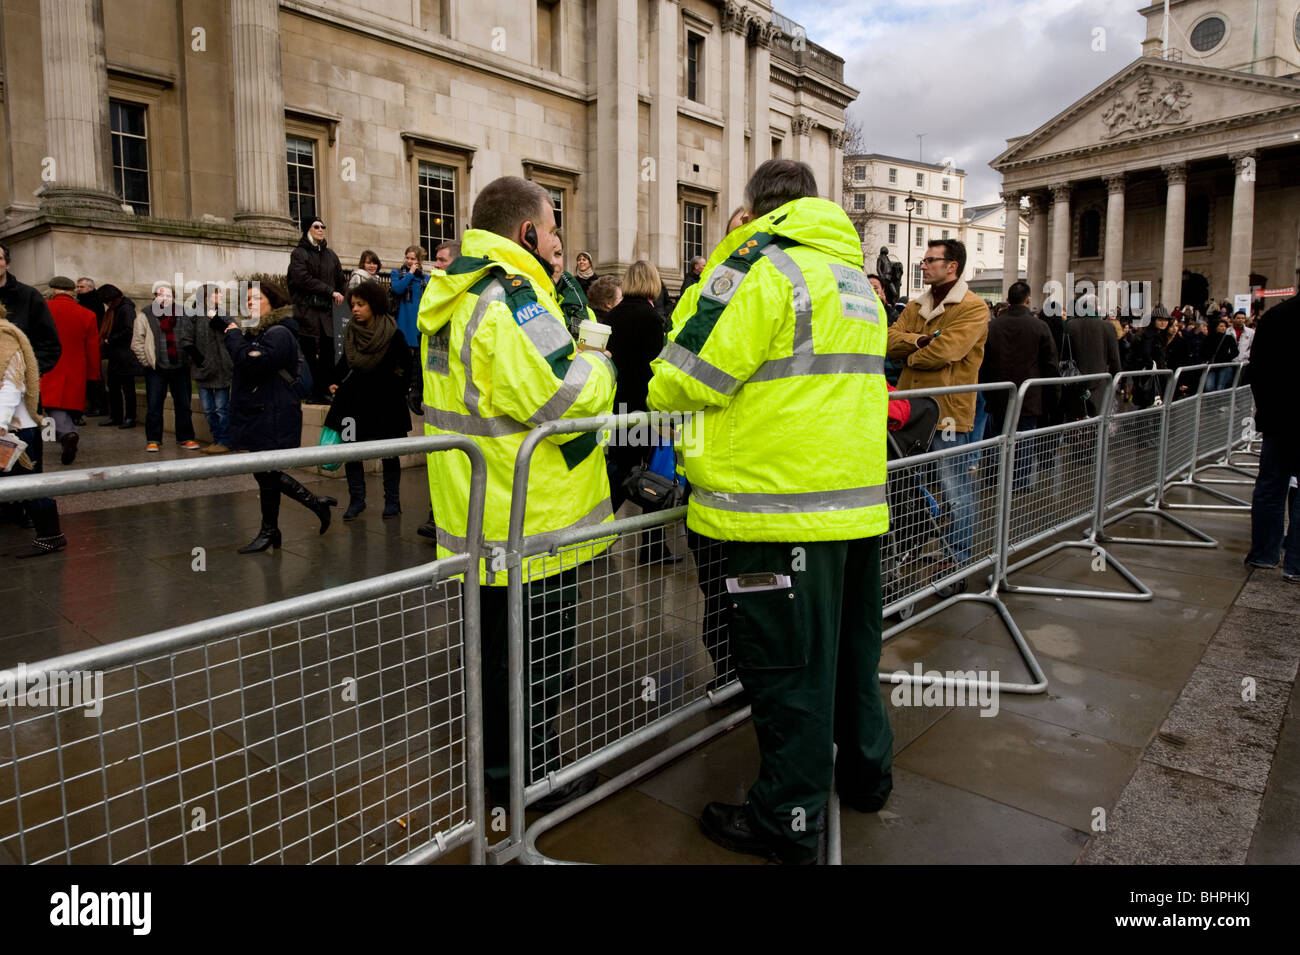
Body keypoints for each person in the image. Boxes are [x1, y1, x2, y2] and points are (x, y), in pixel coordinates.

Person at [648, 158, 891, 865]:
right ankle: (868, 776)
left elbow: (680, 379)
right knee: (851, 657)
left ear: (755, 210)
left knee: (788, 674)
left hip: (775, 510)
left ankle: (788, 819)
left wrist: (704, 293)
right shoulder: (852, 278)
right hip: (853, 506)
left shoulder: (761, 269)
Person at [417, 175, 616, 811]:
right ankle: (531, 781)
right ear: (527, 232)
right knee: (537, 663)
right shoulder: (510, 299)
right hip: (530, 525)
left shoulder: (457, 291)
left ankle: (503, 773)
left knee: (497, 660)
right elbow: (565, 397)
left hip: (480, 515)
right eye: (553, 229)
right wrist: (600, 360)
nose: (558, 240)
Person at [888, 238, 989, 568]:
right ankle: (912, 544)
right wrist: (920, 340)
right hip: (910, 411)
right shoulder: (916, 305)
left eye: (931, 260)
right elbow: (888, 341)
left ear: (952, 266)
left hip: (947, 412)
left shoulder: (973, 307)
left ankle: (956, 557)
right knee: (905, 484)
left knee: (954, 487)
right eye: (924, 260)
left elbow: (946, 352)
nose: (923, 265)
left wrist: (910, 357)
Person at [224, 280, 337, 553]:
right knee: (266, 473)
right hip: (263, 412)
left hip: (274, 413)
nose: (249, 304)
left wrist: (233, 336)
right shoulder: (258, 333)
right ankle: (275, 527)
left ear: (272, 303)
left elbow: (251, 363)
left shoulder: (279, 332)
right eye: (246, 300)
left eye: (256, 299)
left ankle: (295, 516)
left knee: (266, 472)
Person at [605, 260, 677, 565]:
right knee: (651, 475)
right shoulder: (651, 318)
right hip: (645, 407)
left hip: (618, 404)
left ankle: (595, 535)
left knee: (622, 469)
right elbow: (656, 367)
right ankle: (653, 547)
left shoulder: (613, 315)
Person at [327, 280, 415, 521]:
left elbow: (406, 367)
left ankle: (392, 501)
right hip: (353, 402)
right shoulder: (351, 332)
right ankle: (357, 500)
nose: (355, 309)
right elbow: (344, 363)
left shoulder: (393, 334)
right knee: (351, 452)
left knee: (390, 454)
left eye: (361, 304)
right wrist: (333, 381)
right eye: (353, 304)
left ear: (374, 305)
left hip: (387, 403)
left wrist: (396, 388)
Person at [0, 303, 67, 557]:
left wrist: (1, 424)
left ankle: (51, 535)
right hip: (11, 427)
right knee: (24, 485)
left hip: (16, 429)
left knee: (31, 486)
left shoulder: (4, 337)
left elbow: (11, 385)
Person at [978, 280, 1058, 488]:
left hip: (997, 392)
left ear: (1007, 299)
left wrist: (985, 388)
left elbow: (983, 361)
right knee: (1024, 439)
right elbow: (1050, 363)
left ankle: (993, 478)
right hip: (1028, 394)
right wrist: (1052, 394)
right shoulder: (1039, 326)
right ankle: (1020, 482)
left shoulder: (993, 326)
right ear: (1028, 300)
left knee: (997, 437)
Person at [1244, 286, 1299, 582]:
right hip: (1279, 418)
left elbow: (1256, 370)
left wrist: (1265, 409)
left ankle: (1264, 554)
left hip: (1277, 419)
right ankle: (1296, 564)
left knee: (1270, 487)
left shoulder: (1275, 317)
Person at [415, 240, 463, 543]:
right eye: (435, 260)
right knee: (439, 466)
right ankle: (437, 518)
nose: (436, 266)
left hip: (459, 401)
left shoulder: (465, 296)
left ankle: (443, 521)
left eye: (442, 260)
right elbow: (423, 342)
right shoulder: (433, 296)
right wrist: (416, 384)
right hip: (437, 399)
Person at [132, 284, 200, 453]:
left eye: (168, 295)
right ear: (154, 297)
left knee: (183, 405)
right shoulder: (145, 315)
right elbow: (137, 342)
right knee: (154, 406)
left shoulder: (184, 314)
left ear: (174, 298)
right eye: (160, 295)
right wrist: (147, 361)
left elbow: (194, 336)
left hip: (180, 367)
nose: (164, 299)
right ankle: (153, 440)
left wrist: (190, 359)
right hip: (156, 369)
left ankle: (186, 438)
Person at [40, 276, 100, 465]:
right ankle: (68, 435)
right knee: (68, 405)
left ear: (52, 290)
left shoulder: (43, 309)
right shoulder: (87, 314)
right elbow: (93, 348)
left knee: (53, 405)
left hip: (48, 364)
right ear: (72, 292)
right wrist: (94, 374)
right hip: (76, 367)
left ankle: (67, 434)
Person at [286, 216, 345, 403]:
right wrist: (329, 291)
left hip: (326, 314)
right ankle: (313, 391)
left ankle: (323, 390)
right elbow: (301, 279)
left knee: (328, 353)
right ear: (308, 230)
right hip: (307, 313)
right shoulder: (299, 253)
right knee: (310, 353)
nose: (321, 229)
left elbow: (340, 279)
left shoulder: (331, 255)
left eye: (323, 227)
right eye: (316, 226)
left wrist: (341, 295)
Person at [182, 284, 236, 454]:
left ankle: (224, 441)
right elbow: (186, 341)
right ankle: (216, 439)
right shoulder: (192, 316)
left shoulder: (223, 313)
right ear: (205, 297)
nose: (220, 297)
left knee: (221, 409)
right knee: (208, 410)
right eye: (216, 294)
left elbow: (233, 331)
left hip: (222, 369)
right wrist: (202, 362)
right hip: (202, 370)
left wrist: (215, 319)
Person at [0, 244, 61, 376]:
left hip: (17, 381)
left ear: (7, 264)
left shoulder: (29, 296)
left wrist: (25, 371)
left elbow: (49, 345)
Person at [1060, 293, 1120, 419]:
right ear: (1096, 307)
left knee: (1076, 424)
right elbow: (1115, 360)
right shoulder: (1108, 327)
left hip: (1075, 384)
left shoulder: (1069, 325)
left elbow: (1064, 357)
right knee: (1098, 424)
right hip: (1100, 385)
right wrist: (1115, 381)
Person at [96, 284, 141, 428]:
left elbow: (129, 330)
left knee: (128, 388)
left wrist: (110, 339)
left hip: (125, 355)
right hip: (115, 354)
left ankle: (130, 417)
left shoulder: (126, 309)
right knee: (113, 386)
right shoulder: (114, 309)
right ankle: (115, 416)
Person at [75, 277, 107, 417]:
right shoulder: (83, 302)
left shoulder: (93, 302)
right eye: (77, 287)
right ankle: (93, 405)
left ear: (90, 288)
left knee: (95, 375)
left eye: (81, 287)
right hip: (86, 343)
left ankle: (99, 405)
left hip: (92, 342)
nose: (78, 289)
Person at [389, 244, 428, 352]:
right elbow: (398, 289)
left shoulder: (426, 278)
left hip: (418, 321)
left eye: (413, 259)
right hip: (403, 319)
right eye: (407, 258)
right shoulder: (396, 273)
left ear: (419, 260)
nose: (409, 261)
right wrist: (410, 273)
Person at [1203, 315, 1238, 391]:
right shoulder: (1209, 338)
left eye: (1225, 326)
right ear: (1215, 327)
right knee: (1209, 387)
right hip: (1211, 365)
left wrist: (1226, 358)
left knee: (1220, 386)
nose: (1224, 328)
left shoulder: (1229, 338)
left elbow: (1235, 352)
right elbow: (1203, 351)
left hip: (1224, 366)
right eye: (1221, 326)